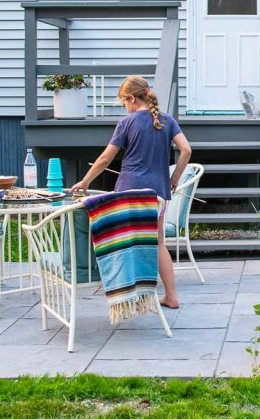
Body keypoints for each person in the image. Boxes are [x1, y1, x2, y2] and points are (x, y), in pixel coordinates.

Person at [69, 76, 191, 309]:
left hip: (129, 192)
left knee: (127, 243)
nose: (125, 107)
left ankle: (129, 296)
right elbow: (186, 150)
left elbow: (106, 158)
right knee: (158, 243)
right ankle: (171, 296)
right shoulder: (167, 120)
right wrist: (174, 178)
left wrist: (85, 181)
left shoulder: (127, 123)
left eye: (124, 102)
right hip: (158, 193)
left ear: (132, 98)